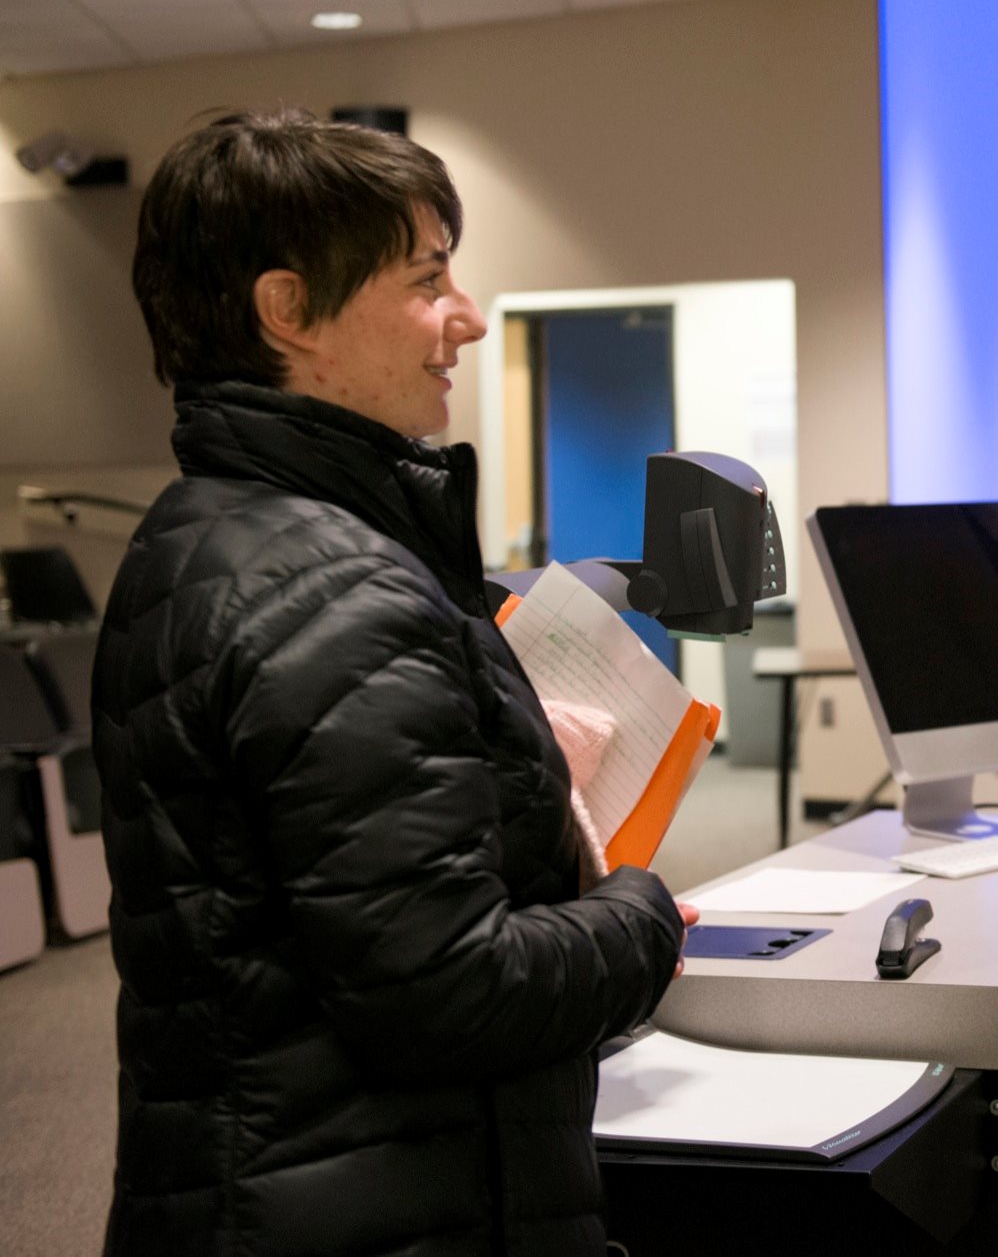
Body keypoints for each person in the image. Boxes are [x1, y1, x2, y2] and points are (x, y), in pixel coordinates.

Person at [95, 108, 695, 1256]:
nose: (465, 318)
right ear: (289, 314)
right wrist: (642, 914)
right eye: (427, 282)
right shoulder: (337, 589)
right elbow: (449, 988)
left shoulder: (202, 533)